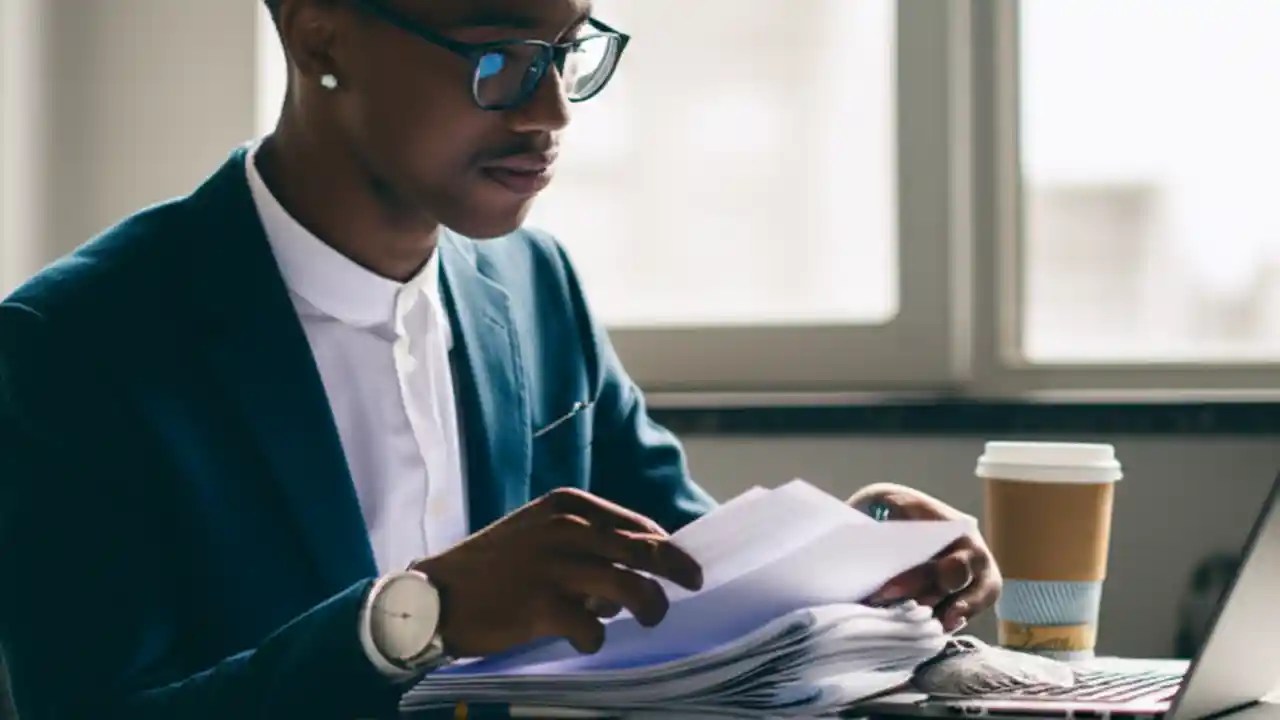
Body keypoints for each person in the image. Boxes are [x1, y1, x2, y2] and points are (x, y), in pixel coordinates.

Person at [0, 0, 1002, 717]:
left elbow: (682, 574)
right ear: (320, 35)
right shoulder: (75, 346)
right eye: (499, 54)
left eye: (571, 51)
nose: (551, 111)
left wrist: (863, 560)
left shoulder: (533, 285)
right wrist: (417, 618)